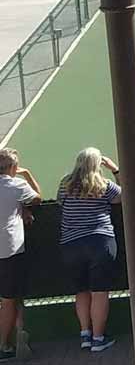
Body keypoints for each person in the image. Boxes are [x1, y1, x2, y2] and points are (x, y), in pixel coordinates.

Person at [58, 149, 120, 353]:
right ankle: (98, 338)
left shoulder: (65, 184)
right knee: (99, 292)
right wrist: (115, 170)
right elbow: (125, 196)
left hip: (71, 245)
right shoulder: (105, 185)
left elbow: (60, 202)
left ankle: (85, 334)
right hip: (100, 242)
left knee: (81, 290)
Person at [0, 150, 37, 358]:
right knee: (9, 299)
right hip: (8, 251)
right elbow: (37, 198)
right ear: (14, 168)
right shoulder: (17, 185)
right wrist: (27, 174)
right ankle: (4, 346)